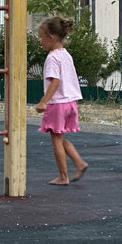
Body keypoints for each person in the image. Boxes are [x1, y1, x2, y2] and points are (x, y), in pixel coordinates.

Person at [35, 16, 88, 186]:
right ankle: (79, 162)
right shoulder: (66, 55)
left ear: (50, 37)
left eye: (41, 37)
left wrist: (44, 101)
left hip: (57, 103)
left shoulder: (52, 57)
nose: (40, 41)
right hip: (70, 102)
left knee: (56, 139)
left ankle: (63, 176)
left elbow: (55, 80)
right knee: (59, 137)